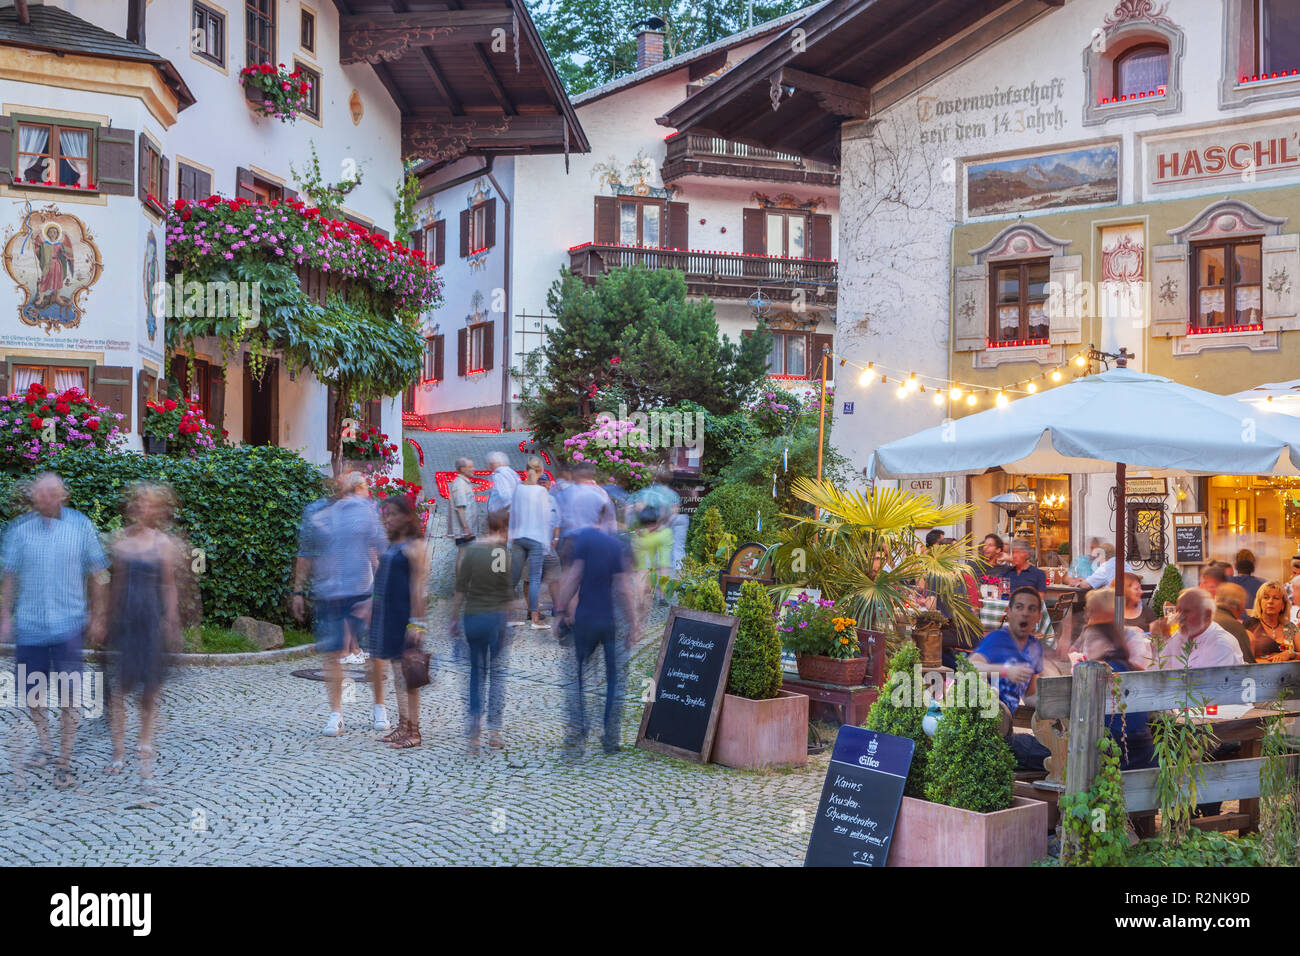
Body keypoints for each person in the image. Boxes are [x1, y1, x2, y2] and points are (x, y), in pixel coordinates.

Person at [1, 473, 109, 789]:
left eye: (49, 493)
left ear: (62, 495)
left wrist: (99, 616)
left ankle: (64, 763)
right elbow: (8, 575)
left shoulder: (81, 527)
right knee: (32, 694)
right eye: (38, 493)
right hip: (30, 627)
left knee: (69, 696)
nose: (42, 498)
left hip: (68, 626)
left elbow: (99, 573)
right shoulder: (19, 531)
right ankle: (45, 744)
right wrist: (5, 614)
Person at [293, 471, 389, 737]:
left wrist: (378, 594)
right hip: (329, 593)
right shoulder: (315, 512)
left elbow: (382, 550)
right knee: (332, 654)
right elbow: (305, 553)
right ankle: (336, 713)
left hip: (362, 591)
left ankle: (379, 706)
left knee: (376, 653)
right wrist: (298, 591)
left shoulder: (365, 510)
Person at [101, 483, 183, 783]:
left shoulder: (163, 543)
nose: (142, 508)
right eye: (138, 503)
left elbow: (168, 585)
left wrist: (171, 620)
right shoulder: (121, 541)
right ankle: (118, 752)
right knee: (118, 691)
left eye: (148, 503)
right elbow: (115, 583)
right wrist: (105, 619)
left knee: (149, 689)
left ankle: (145, 740)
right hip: (125, 621)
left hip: (150, 621)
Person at [557, 521, 640, 755]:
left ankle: (577, 736)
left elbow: (574, 576)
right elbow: (627, 587)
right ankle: (611, 738)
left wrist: (563, 611)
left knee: (579, 677)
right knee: (616, 681)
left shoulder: (589, 543)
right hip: (615, 623)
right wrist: (634, 622)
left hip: (592, 619)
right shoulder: (618, 545)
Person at [369, 496, 429, 748]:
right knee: (397, 673)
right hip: (389, 615)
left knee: (409, 676)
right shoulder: (395, 544)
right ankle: (403, 724)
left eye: (393, 514)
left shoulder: (416, 545)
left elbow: (419, 588)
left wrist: (416, 624)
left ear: (406, 516)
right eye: (387, 514)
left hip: (406, 617)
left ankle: (414, 731)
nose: (388, 518)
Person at [451, 509, 512, 751]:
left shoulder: (473, 550)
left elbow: (460, 589)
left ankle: (474, 730)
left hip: (473, 618)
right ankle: (495, 731)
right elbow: (506, 592)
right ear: (504, 529)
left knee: (476, 674)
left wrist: (453, 617)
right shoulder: (501, 553)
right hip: (495, 618)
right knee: (497, 675)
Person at [969, 587, 1043, 768]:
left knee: (1057, 750)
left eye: (1031, 609)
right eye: (1019, 607)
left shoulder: (1034, 647)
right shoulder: (997, 639)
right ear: (1008, 612)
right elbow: (969, 666)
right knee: (1052, 755)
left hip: (1005, 732)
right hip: (983, 731)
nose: (1025, 613)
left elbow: (1030, 695)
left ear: (1038, 617)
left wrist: (1057, 706)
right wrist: (1005, 670)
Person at [1145, 588, 1245, 669]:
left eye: (1187, 611)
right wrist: (1159, 640)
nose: (1180, 617)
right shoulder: (1179, 637)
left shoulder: (1221, 644)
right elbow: (1154, 674)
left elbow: (1207, 689)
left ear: (1207, 615)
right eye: (1178, 611)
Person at [508, 457, 552, 630]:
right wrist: (547, 544)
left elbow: (513, 514)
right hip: (536, 538)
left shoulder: (518, 489)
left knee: (513, 579)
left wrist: (510, 540)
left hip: (518, 537)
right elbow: (545, 518)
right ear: (540, 470)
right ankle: (535, 619)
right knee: (534, 579)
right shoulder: (541, 492)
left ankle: (508, 616)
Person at [629, 467, 681, 606]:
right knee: (664, 565)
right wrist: (663, 524)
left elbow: (632, 511)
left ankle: (641, 599)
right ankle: (662, 597)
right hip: (664, 533)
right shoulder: (672, 495)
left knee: (643, 568)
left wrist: (636, 528)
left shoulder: (642, 493)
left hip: (644, 533)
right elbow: (674, 516)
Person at [1245, 580, 1297, 662]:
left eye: (1276, 598)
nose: (1270, 601)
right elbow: (1245, 659)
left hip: (1287, 673)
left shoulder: (1290, 627)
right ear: (1259, 603)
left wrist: (1290, 653)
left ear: (1283, 605)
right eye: (1266, 597)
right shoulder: (1250, 624)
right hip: (1259, 672)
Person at [449, 456, 479, 567]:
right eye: (470, 467)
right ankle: (461, 583)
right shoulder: (460, 485)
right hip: (464, 528)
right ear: (462, 469)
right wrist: (466, 528)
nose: (473, 469)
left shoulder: (464, 483)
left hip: (467, 527)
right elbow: (460, 507)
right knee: (463, 554)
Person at [1213, 583, 1255, 664]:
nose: (1243, 609)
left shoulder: (1205, 617)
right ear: (1239, 605)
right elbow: (1248, 667)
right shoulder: (1234, 626)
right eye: (1244, 604)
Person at [485, 451, 519, 517]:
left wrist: (503, 515)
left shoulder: (499, 475)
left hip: (500, 516)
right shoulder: (512, 473)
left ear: (494, 463)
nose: (488, 466)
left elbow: (506, 497)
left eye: (489, 464)